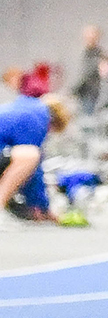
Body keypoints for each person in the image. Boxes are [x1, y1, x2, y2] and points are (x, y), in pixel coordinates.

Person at [0, 69, 70, 222]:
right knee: (30, 155)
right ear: (55, 122)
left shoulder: (27, 106)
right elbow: (34, 170)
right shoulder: (38, 118)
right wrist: (42, 207)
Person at [73, 24, 104, 115]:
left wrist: (74, 90)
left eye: (91, 37)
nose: (88, 39)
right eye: (87, 37)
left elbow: (87, 74)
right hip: (85, 94)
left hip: (93, 94)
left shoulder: (99, 55)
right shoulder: (85, 54)